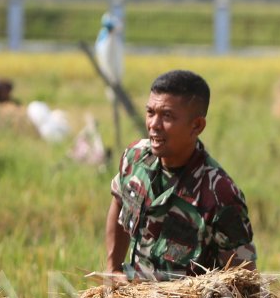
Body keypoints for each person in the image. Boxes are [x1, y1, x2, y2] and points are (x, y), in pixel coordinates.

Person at [105, 69, 257, 280]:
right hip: (135, 295)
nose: (154, 124)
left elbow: (244, 277)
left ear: (196, 126)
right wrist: (113, 268)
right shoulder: (134, 158)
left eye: (167, 116)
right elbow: (119, 201)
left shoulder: (219, 194)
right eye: (150, 112)